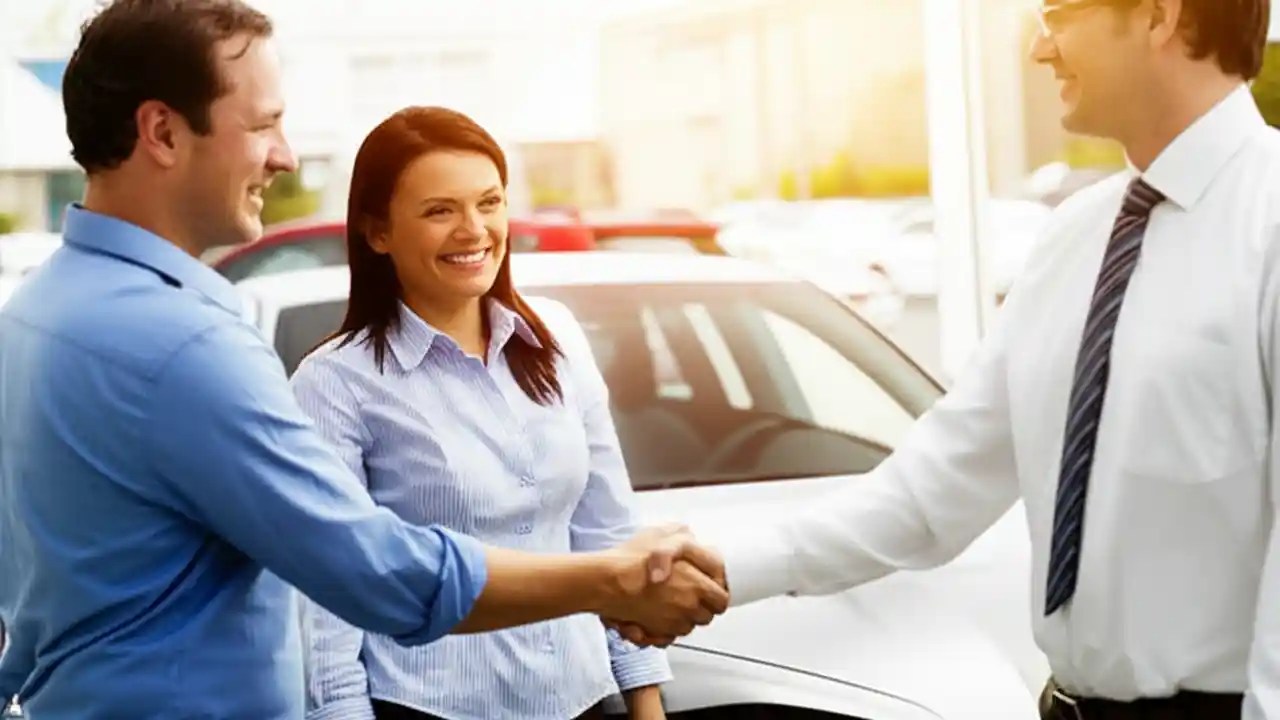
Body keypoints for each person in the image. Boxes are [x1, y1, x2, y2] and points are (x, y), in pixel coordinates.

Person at [0, 2, 727, 718]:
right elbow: (374, 574)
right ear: (161, 131)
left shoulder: (33, 316)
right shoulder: (184, 345)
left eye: (489, 203)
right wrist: (611, 581)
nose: (284, 155)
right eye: (262, 124)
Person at [651, 1, 1280, 718]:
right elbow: (930, 493)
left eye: (1057, 14)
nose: (1040, 49)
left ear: (1159, 16)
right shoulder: (1070, 239)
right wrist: (723, 567)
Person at [291, 106, 672, 720]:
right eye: (440, 210)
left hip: (582, 697)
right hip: (429, 708)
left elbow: (609, 533)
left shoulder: (559, 338)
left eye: (489, 203)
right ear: (378, 231)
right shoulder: (335, 383)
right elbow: (330, 605)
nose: (474, 229)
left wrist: (644, 700)